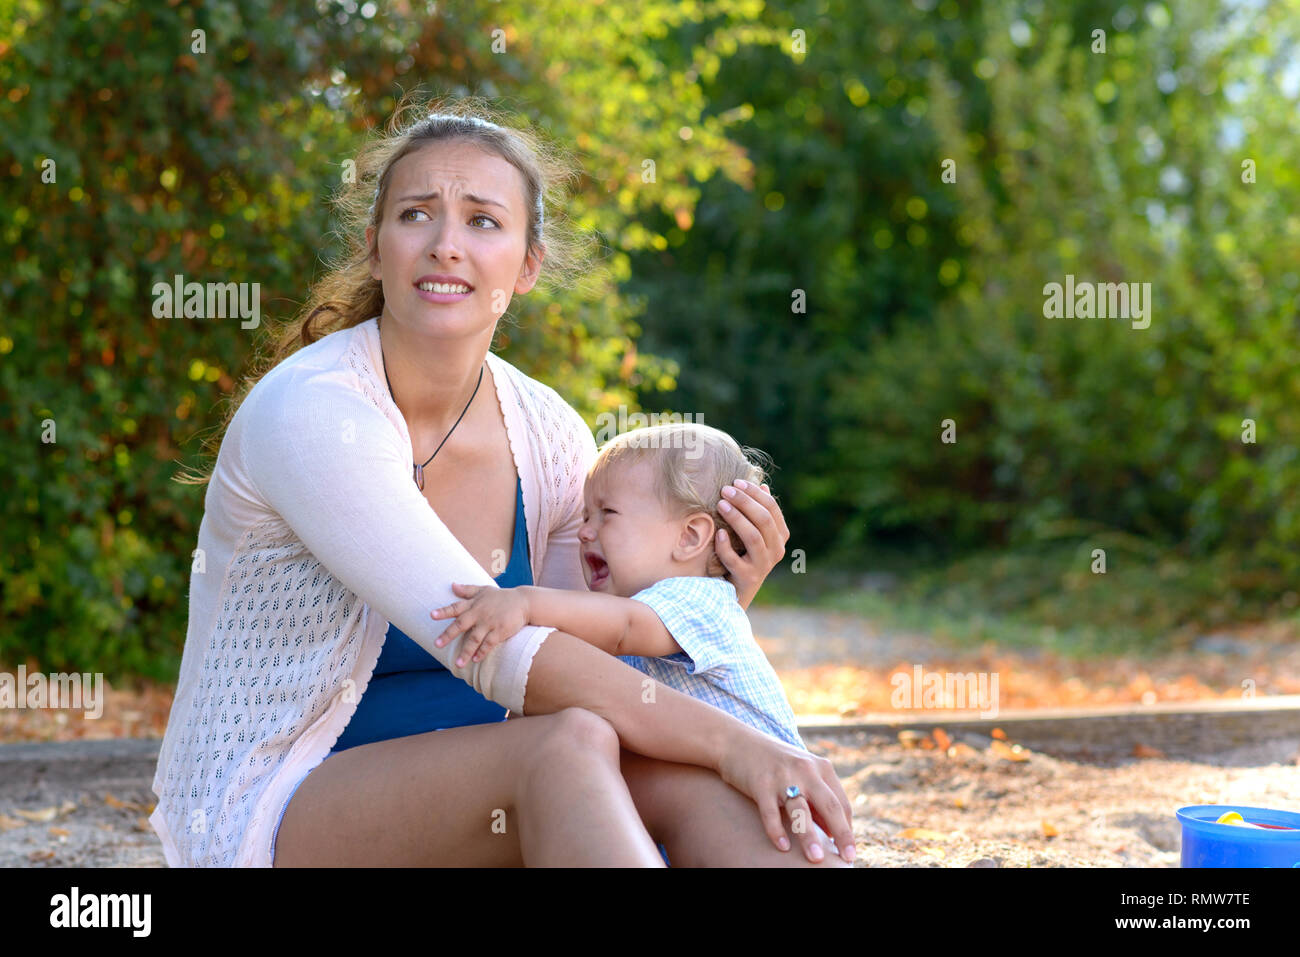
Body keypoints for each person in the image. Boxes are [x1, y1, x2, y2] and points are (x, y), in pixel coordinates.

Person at [150, 96, 855, 867]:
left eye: (483, 220)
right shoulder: (315, 411)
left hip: (502, 785)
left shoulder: (548, 432)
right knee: (574, 744)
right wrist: (740, 742)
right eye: (416, 214)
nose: (447, 245)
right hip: (287, 805)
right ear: (375, 245)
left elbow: (606, 655)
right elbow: (506, 656)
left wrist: (704, 595)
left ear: (527, 265)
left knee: (702, 782)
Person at [430, 422, 808, 754]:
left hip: (770, 789)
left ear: (689, 536)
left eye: (607, 513)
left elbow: (625, 628)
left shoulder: (701, 598)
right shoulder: (641, 612)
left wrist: (524, 602)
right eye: (585, 515)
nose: (584, 531)